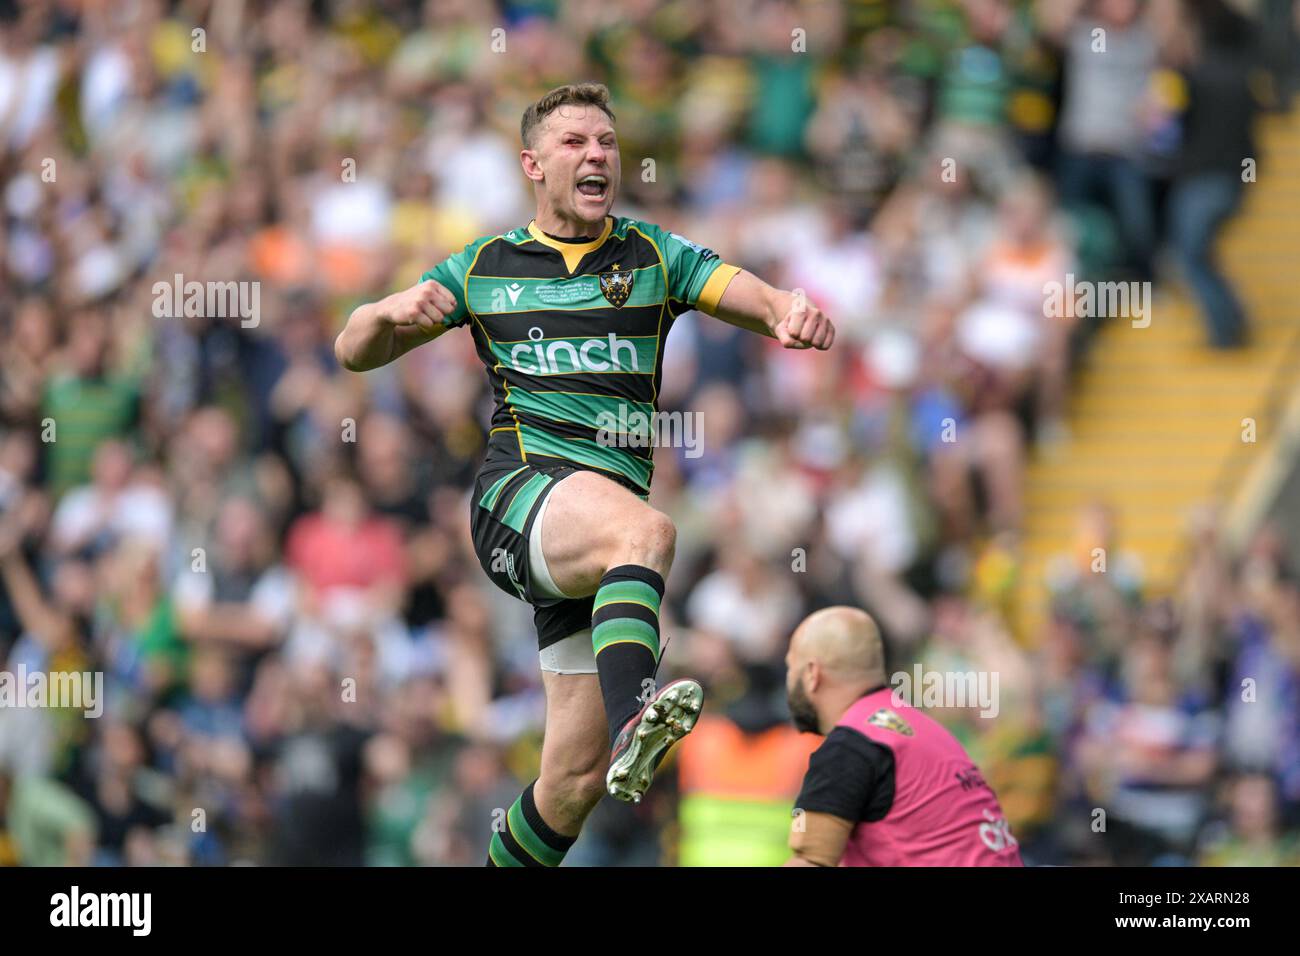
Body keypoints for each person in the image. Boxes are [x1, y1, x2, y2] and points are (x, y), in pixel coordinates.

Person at [335, 82, 835, 868]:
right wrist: (380, 315)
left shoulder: (651, 256)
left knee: (571, 783)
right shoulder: (484, 268)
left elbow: (744, 291)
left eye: (606, 141)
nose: (598, 154)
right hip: (519, 499)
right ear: (532, 164)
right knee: (649, 528)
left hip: (595, 550)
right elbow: (353, 351)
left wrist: (784, 310)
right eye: (575, 142)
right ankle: (639, 710)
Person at [782, 606, 1022, 866]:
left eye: (790, 668)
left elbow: (810, 861)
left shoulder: (849, 746)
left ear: (812, 675)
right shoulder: (922, 728)